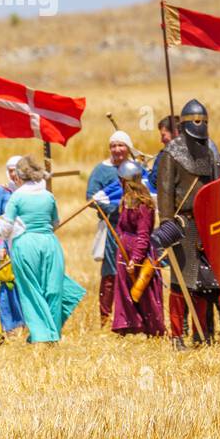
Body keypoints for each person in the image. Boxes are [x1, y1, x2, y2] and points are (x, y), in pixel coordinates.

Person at [155, 99, 220, 347]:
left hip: (210, 223)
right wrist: (166, 224)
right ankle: (177, 336)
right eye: (196, 121)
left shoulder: (211, 150)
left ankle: (203, 334)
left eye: (204, 121)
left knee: (207, 283)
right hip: (184, 225)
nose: (200, 125)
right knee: (180, 283)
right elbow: (164, 192)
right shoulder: (171, 154)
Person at [0, 157, 86, 343]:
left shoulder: (17, 197)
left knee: (31, 290)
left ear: (20, 176)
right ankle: (53, 332)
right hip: (49, 243)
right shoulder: (48, 196)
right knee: (52, 288)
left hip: (25, 245)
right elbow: (55, 223)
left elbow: (5, 228)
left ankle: (41, 335)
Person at [111, 161, 165, 336]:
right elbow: (121, 227)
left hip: (138, 252)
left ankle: (153, 329)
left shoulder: (144, 204)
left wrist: (136, 258)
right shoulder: (125, 201)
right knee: (125, 290)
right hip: (124, 251)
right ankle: (128, 325)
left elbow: (143, 235)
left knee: (144, 290)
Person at [87, 131, 133, 328]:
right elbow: (91, 198)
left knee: (133, 270)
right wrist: (112, 207)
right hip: (112, 228)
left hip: (133, 228)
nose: (117, 150)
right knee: (111, 273)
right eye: (113, 146)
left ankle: (132, 316)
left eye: (121, 145)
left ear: (128, 148)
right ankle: (105, 319)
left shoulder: (134, 168)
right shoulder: (101, 170)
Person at [0, 155, 26, 333]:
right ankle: (10, 325)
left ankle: (27, 322)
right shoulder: (2, 192)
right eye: (10, 171)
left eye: (16, 170)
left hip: (24, 244)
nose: (13, 174)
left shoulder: (27, 191)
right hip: (3, 246)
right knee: (7, 283)